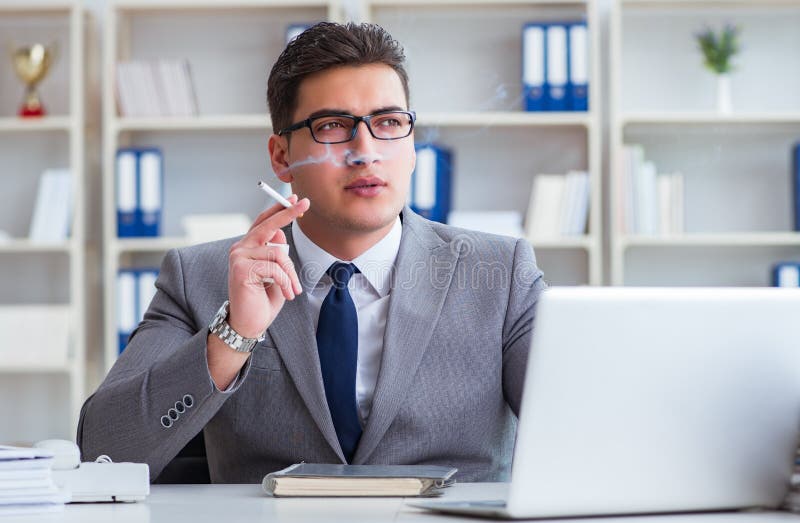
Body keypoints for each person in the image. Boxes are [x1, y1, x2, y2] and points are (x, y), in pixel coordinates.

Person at [78, 21, 546, 483]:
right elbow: (103, 450)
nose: (366, 152)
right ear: (281, 158)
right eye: (333, 126)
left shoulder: (500, 275)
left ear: (412, 144)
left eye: (387, 123)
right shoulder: (197, 276)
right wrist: (234, 334)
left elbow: (587, 434)